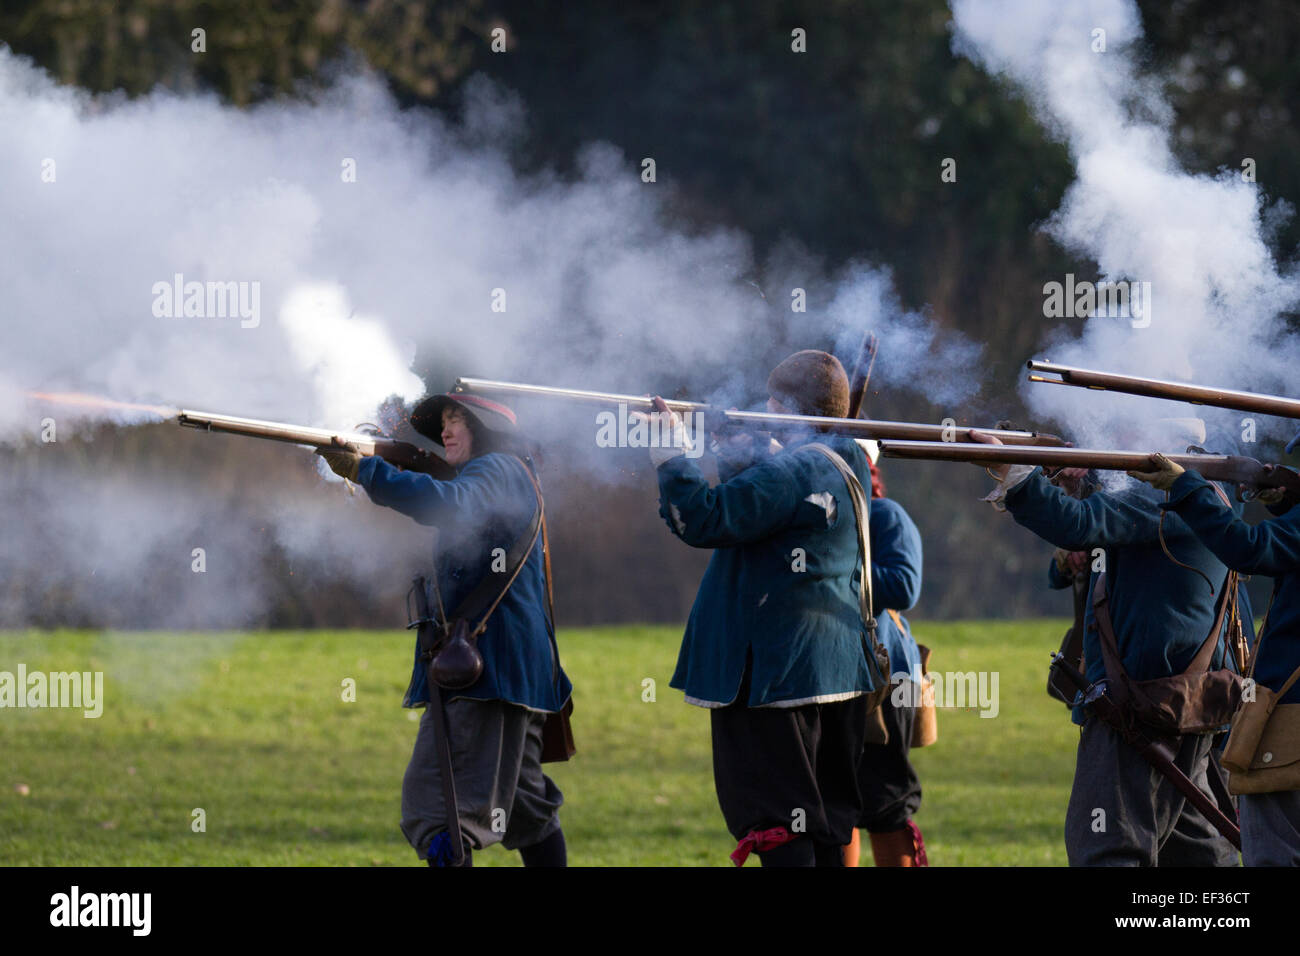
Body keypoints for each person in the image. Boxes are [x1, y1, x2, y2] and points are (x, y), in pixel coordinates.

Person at [645, 349, 901, 866]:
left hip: (772, 674)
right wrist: (736, 443)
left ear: (785, 407)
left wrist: (670, 454)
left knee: (779, 823)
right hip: (833, 670)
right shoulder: (845, 456)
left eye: (772, 403)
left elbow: (705, 519)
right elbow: (766, 505)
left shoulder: (797, 469)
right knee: (826, 823)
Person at [318, 393, 572, 867]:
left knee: (437, 811)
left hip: (490, 672)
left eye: (458, 420)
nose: (446, 430)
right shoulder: (504, 473)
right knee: (524, 809)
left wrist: (366, 470)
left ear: (488, 429)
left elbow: (448, 503)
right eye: (445, 422)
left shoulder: (497, 469)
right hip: (509, 670)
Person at [972, 428, 1242, 866]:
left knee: (1108, 850)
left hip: (1143, 708)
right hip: (1182, 702)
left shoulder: (1166, 494)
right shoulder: (1194, 491)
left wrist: (1013, 470)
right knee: (1196, 853)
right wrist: (1071, 477)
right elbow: (1104, 521)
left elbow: (1079, 523)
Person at [1130, 452, 1300, 866]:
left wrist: (1187, 488)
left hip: (1291, 723)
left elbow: (1249, 549)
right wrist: (1286, 502)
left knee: (1274, 857)